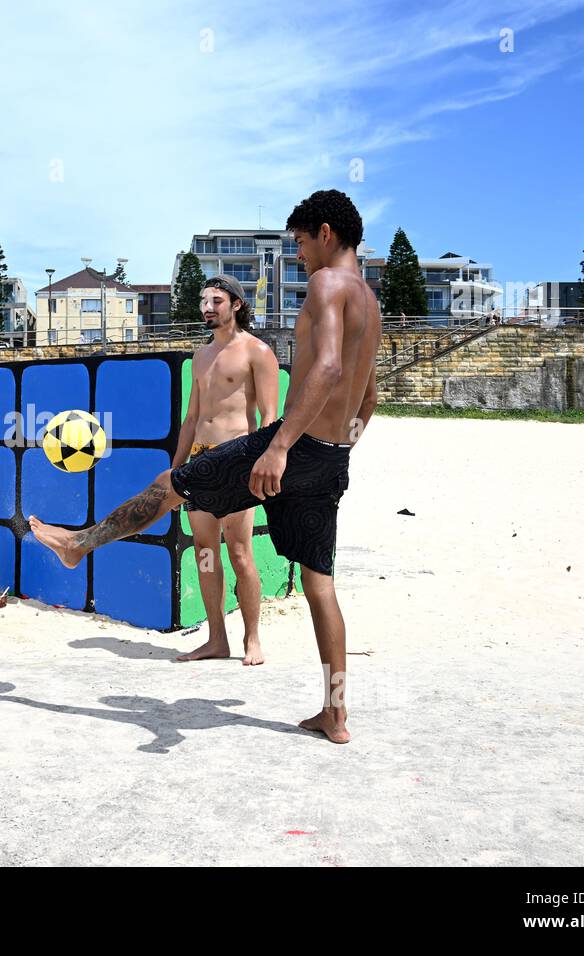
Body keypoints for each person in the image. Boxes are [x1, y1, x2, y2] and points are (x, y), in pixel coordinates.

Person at [30, 189, 380, 744]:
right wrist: (343, 446)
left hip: (296, 446)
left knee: (170, 485)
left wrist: (283, 445)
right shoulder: (369, 299)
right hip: (332, 458)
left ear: (327, 234)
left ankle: (79, 545)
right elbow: (369, 395)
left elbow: (331, 368)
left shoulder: (327, 283)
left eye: (301, 242)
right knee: (320, 586)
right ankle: (335, 715)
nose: (300, 255)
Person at [173, 275, 280, 666]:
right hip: (200, 461)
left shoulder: (257, 352)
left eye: (215, 300)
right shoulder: (200, 357)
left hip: (237, 461)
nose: (206, 307)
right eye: (203, 301)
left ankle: (252, 637)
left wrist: (264, 462)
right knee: (204, 552)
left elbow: (270, 417)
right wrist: (176, 472)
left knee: (239, 552)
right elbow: (191, 418)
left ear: (235, 304)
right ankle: (216, 638)